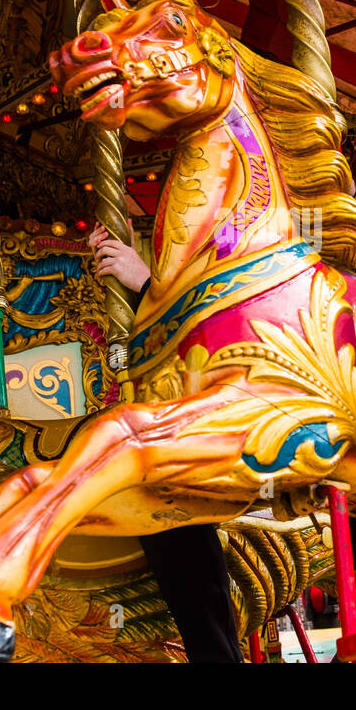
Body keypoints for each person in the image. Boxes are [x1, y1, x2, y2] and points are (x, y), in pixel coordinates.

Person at [88, 222, 243, 662]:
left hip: (222, 407)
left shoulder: (234, 235)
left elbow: (215, 327)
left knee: (169, 501)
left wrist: (147, 286)